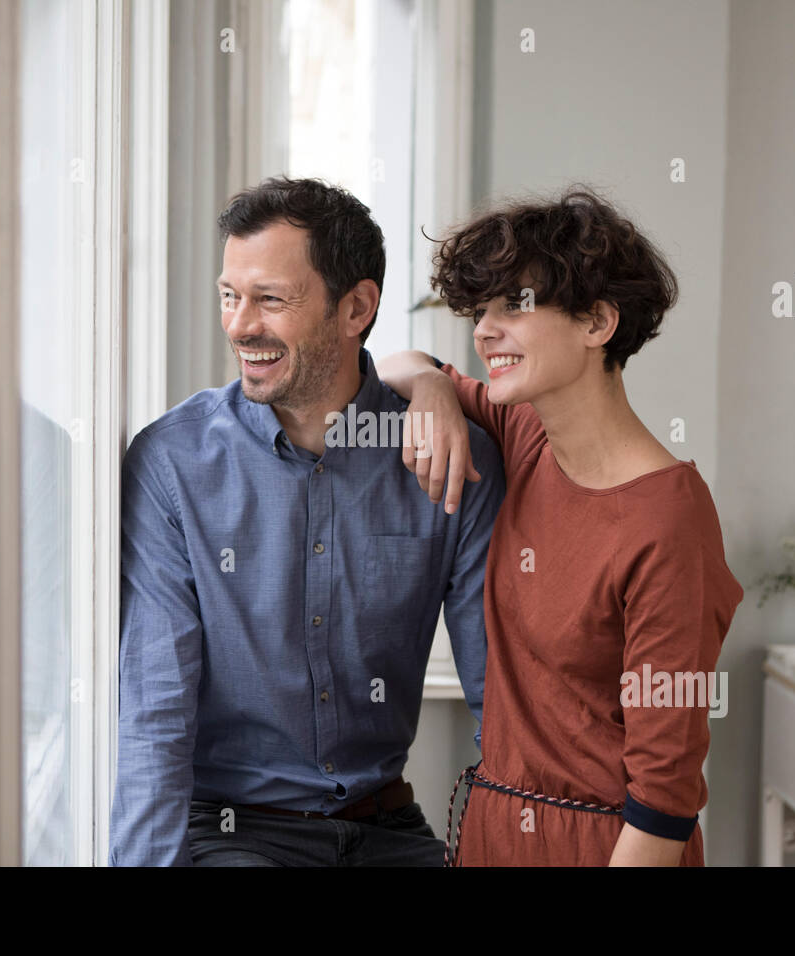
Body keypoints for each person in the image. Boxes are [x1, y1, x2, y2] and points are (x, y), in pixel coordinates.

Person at [109, 177, 505, 866]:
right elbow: (155, 715)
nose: (238, 325)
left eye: (270, 300)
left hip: (387, 830)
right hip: (234, 834)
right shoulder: (173, 464)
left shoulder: (450, 461)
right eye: (230, 296)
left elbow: (498, 699)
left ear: (356, 308)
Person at [377, 186, 744, 866]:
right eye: (479, 311)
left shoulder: (670, 522)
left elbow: (664, 804)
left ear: (597, 323)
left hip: (607, 849)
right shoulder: (526, 433)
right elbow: (397, 367)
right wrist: (432, 391)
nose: (484, 330)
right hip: (495, 828)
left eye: (512, 306)